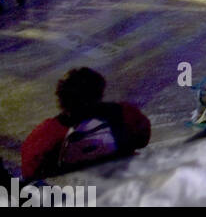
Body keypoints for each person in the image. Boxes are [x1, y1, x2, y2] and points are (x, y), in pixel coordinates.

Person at [21, 67, 151, 181]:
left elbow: (30, 171)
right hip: (124, 182)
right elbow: (142, 139)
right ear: (99, 94)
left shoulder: (49, 132)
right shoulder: (123, 113)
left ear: (62, 99)